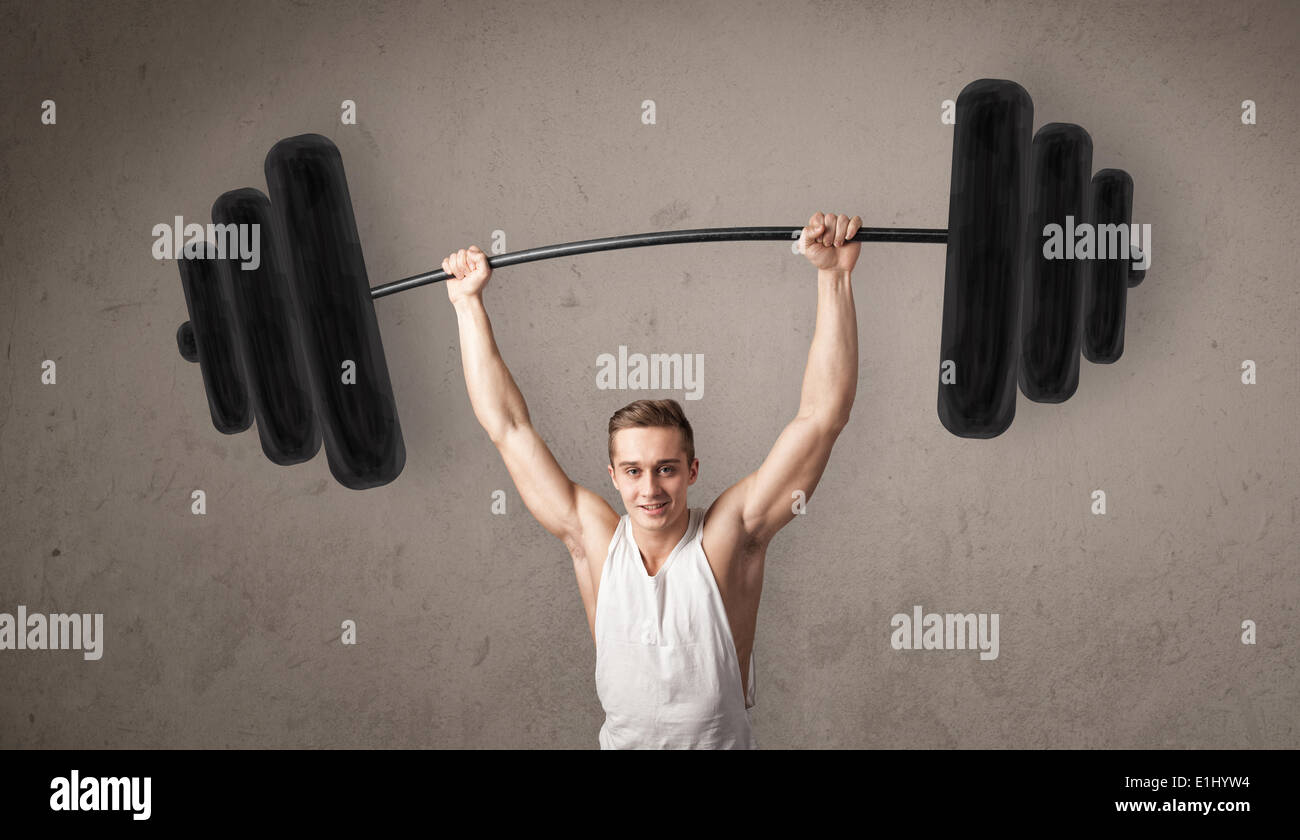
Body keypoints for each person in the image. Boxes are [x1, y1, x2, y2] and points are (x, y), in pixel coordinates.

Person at [443, 211, 860, 748]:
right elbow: (508, 427)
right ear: (612, 476)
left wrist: (834, 276)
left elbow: (822, 417)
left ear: (691, 470)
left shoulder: (729, 536)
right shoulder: (594, 540)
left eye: (666, 469)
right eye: (634, 472)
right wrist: (467, 304)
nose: (651, 489)